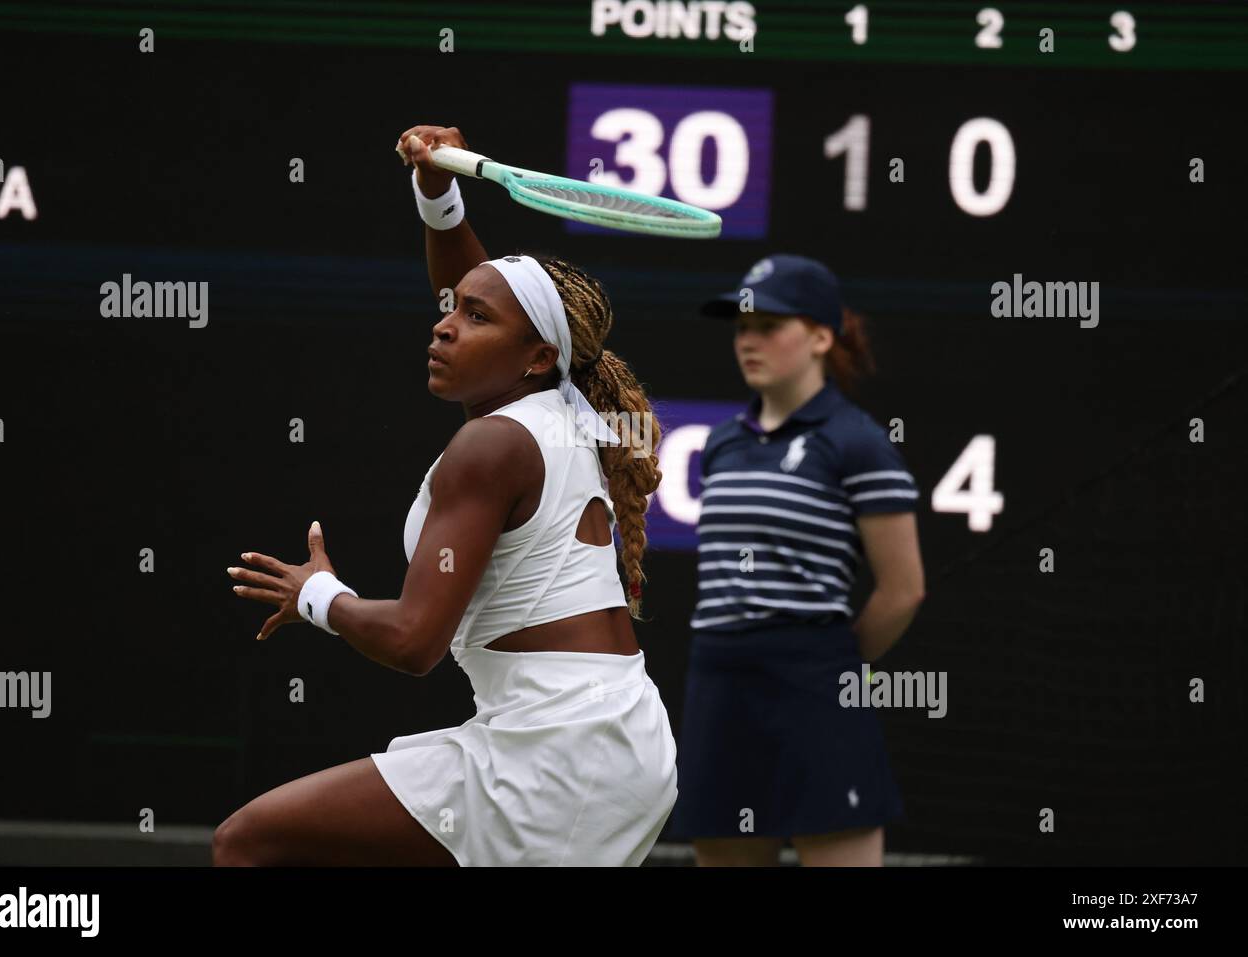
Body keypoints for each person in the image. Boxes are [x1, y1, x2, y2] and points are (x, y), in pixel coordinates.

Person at [211, 125, 676, 867]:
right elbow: (497, 295)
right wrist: (438, 193)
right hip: (608, 738)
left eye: (473, 319)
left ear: (537, 357)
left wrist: (318, 595)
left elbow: (412, 641)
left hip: (558, 753)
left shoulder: (489, 445)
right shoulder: (562, 408)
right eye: (450, 308)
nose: (445, 325)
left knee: (249, 844)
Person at [670, 254, 926, 866]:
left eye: (768, 326)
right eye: (741, 328)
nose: (749, 341)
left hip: (817, 690)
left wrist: (823, 664)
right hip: (720, 685)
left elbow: (904, 589)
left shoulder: (858, 441)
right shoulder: (724, 443)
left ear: (820, 336)